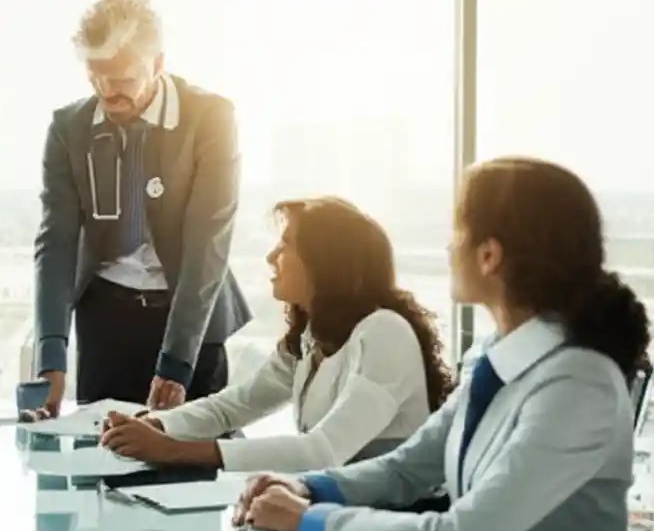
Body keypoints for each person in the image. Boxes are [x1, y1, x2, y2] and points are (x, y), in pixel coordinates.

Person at [237, 157, 654, 531]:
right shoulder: (493, 358)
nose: (447, 246)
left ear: (488, 254)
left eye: (456, 232)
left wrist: (309, 520)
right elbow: (409, 467)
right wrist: (309, 486)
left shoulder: (578, 385)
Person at [101, 197, 453, 471]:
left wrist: (172, 451)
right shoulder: (312, 337)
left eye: (287, 245)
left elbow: (322, 451)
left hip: (389, 520)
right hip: (337, 512)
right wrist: (153, 425)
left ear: (325, 261)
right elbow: (233, 407)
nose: (272, 256)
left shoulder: (384, 333)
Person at [34, 0, 250, 415]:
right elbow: (56, 242)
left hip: (190, 318)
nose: (106, 92)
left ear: (158, 63)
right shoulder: (68, 128)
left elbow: (208, 243)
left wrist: (176, 362)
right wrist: (51, 354)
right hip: (106, 320)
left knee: (188, 461)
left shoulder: (210, 118)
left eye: (122, 79)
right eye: (95, 76)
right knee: (99, 458)